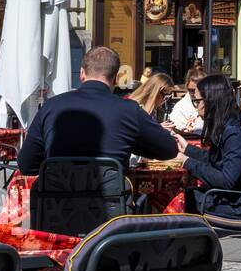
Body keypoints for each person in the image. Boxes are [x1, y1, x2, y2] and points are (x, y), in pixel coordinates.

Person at [17, 46, 179, 175]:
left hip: (57, 207)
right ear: (116, 78)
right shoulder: (129, 110)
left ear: (82, 73)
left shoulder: (51, 106)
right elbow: (169, 150)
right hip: (112, 210)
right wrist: (132, 143)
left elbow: (26, 165)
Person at [173, 74, 241, 222]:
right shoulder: (234, 123)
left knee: (179, 198)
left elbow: (226, 180)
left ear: (210, 101)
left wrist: (187, 161)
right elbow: (218, 160)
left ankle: (173, 242)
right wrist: (188, 149)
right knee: (186, 194)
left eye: (197, 101)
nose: (196, 106)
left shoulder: (235, 132)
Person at [168, 66, 206, 135]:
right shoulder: (180, 107)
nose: (195, 93)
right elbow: (174, 132)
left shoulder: (213, 103)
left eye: (200, 90)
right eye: (192, 90)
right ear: (186, 87)